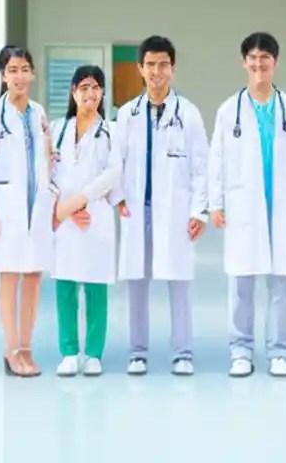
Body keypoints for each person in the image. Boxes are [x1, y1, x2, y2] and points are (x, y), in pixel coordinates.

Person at [209, 32, 286, 379]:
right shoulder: (229, 110)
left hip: (280, 205)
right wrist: (216, 203)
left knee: (281, 283)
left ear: (275, 63)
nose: (258, 64)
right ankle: (241, 352)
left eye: (265, 58)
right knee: (241, 284)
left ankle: (279, 352)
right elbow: (216, 160)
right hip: (243, 205)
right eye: (252, 58)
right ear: (244, 62)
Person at [111, 35, 209, 376]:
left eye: (163, 65)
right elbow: (116, 163)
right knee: (136, 281)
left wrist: (199, 211)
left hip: (176, 211)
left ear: (173, 68)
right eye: (150, 65)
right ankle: (137, 352)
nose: (156, 71)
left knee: (179, 281)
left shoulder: (190, 114)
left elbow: (201, 167)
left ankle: (183, 353)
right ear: (140, 68)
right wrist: (118, 196)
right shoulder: (126, 114)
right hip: (138, 210)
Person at [0, 45, 54, 378]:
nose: (19, 76)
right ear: (3, 75)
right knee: (9, 277)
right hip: (6, 206)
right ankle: (11, 349)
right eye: (12, 70)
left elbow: (48, 158)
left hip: (36, 206)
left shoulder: (38, 113)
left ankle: (27, 346)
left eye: (24, 69)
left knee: (34, 277)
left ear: (33, 73)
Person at [51, 66, 121, 377]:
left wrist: (79, 201)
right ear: (73, 92)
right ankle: (68, 352)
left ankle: (93, 353)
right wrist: (62, 206)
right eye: (84, 87)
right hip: (64, 217)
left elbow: (113, 172)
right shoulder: (57, 129)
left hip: (94, 215)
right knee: (65, 287)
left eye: (96, 87)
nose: (90, 93)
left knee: (95, 288)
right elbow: (48, 173)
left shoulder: (112, 131)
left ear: (103, 92)